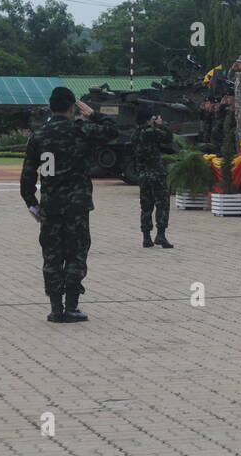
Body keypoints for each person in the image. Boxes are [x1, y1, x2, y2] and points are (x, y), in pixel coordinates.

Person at [20, 87, 119, 323]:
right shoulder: (81, 130)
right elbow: (113, 132)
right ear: (72, 107)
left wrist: (32, 204)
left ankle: (56, 308)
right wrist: (93, 114)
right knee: (76, 254)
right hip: (77, 205)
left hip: (50, 205)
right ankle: (72, 306)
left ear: (51, 106)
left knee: (52, 256)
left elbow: (27, 176)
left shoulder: (39, 135)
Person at [130, 105, 176, 250]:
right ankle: (160, 235)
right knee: (162, 204)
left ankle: (146, 238)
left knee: (146, 206)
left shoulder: (135, 134)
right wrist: (161, 125)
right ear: (148, 120)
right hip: (156, 173)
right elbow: (169, 137)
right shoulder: (151, 132)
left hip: (143, 175)